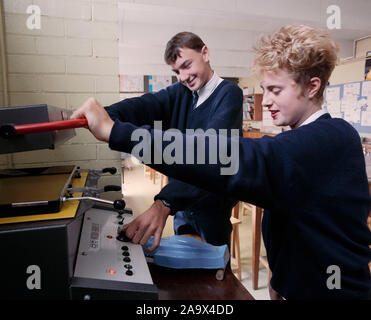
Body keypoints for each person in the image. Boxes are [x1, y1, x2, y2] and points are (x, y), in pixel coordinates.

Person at [72, 25, 371, 300]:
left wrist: (115, 131)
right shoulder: (299, 143)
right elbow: (292, 222)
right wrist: (280, 277)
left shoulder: (333, 138)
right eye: (265, 89)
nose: (265, 101)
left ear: (312, 87)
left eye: (275, 90)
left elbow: (225, 158)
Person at [72, 31, 243, 251]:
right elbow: (144, 105)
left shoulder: (229, 94)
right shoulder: (181, 93)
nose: (182, 76)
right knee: (187, 270)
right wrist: (102, 115)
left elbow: (211, 156)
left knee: (215, 269)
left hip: (211, 205)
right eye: (177, 71)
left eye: (187, 65)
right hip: (181, 205)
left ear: (205, 53)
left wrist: (165, 202)